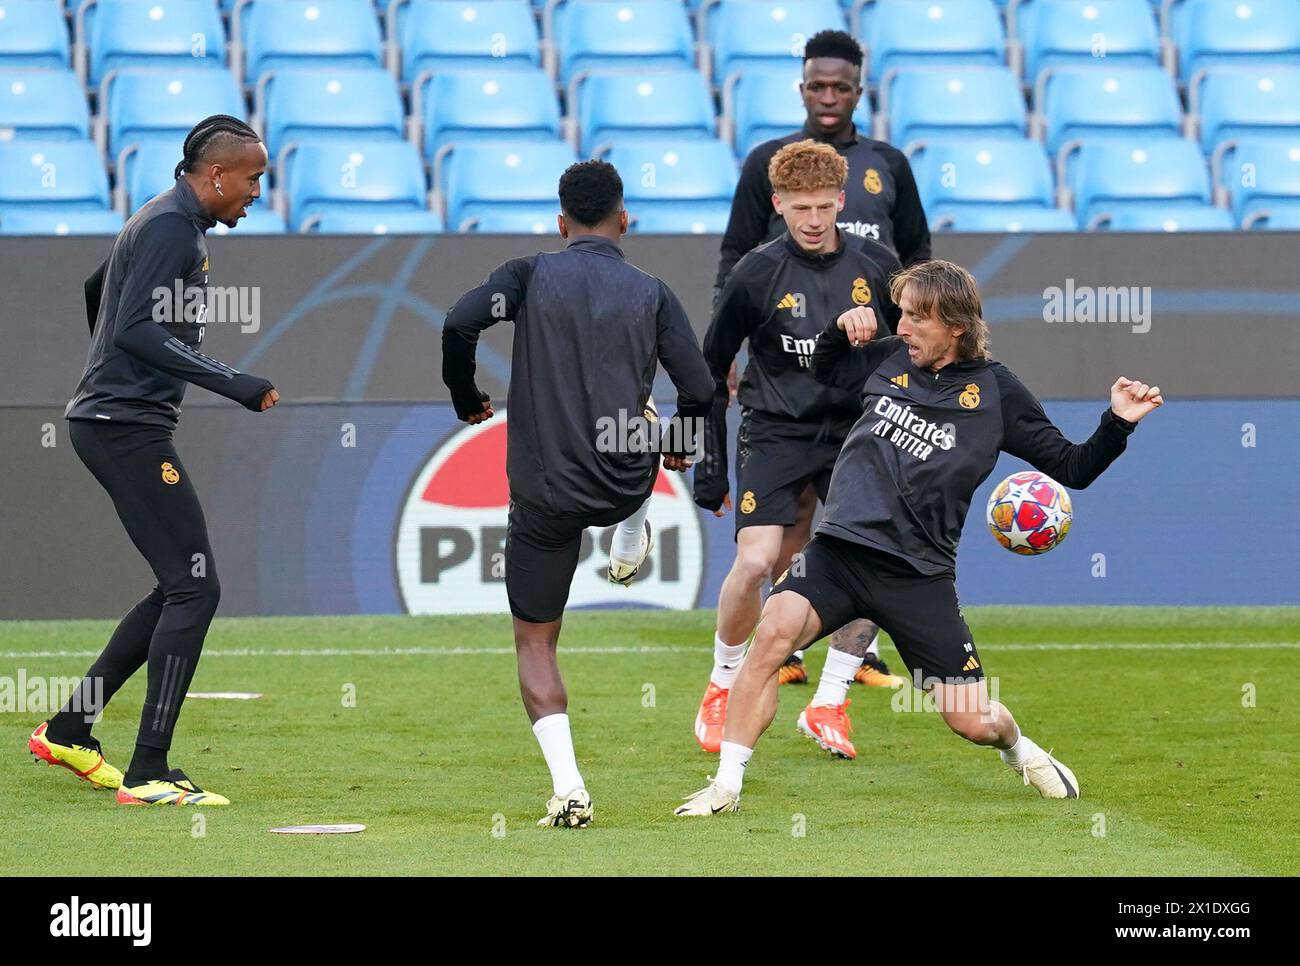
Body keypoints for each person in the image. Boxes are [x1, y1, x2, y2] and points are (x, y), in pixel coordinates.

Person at [675, 259, 1164, 816]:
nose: (901, 326)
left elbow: (1072, 467)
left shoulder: (997, 393)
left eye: (915, 318)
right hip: (837, 552)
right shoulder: (887, 359)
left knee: (973, 722)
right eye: (900, 314)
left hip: (917, 576)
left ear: (956, 325)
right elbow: (826, 369)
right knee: (771, 639)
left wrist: (1118, 422)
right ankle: (726, 786)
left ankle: (1021, 750)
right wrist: (838, 329)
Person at [441, 160, 713, 828]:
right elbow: (704, 388)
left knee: (536, 643)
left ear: (561, 224)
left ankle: (569, 787)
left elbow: (457, 322)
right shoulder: (650, 291)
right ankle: (636, 517)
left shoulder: (528, 276)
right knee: (647, 427)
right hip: (622, 474)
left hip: (545, 491)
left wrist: (465, 395)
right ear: (624, 221)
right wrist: (684, 440)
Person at [30, 115, 278, 807]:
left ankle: (72, 728)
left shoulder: (161, 219)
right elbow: (133, 325)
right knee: (196, 587)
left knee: (180, 584)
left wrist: (111, 371)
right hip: (122, 428)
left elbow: (96, 293)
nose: (256, 193)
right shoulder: (172, 228)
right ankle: (149, 772)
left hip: (115, 419)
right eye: (253, 179)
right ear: (217, 173)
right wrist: (234, 382)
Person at [716, 28, 932, 687]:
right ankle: (788, 653)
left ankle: (847, 654)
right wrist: (725, 346)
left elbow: (918, 260)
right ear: (802, 88)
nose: (829, 96)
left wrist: (922, 346)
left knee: (853, 519)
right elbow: (736, 257)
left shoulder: (887, 164)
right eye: (818, 85)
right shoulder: (767, 163)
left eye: (842, 86)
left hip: (864, 367)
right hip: (785, 368)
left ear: (861, 89)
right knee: (792, 522)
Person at [691, 140, 904, 762]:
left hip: (855, 433)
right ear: (778, 203)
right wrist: (707, 461)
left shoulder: (878, 265)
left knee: (872, 561)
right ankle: (721, 685)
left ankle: (829, 702)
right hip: (776, 428)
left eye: (823, 206)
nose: (813, 220)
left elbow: (919, 343)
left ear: (841, 201)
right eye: (799, 207)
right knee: (757, 562)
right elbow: (709, 368)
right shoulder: (755, 273)